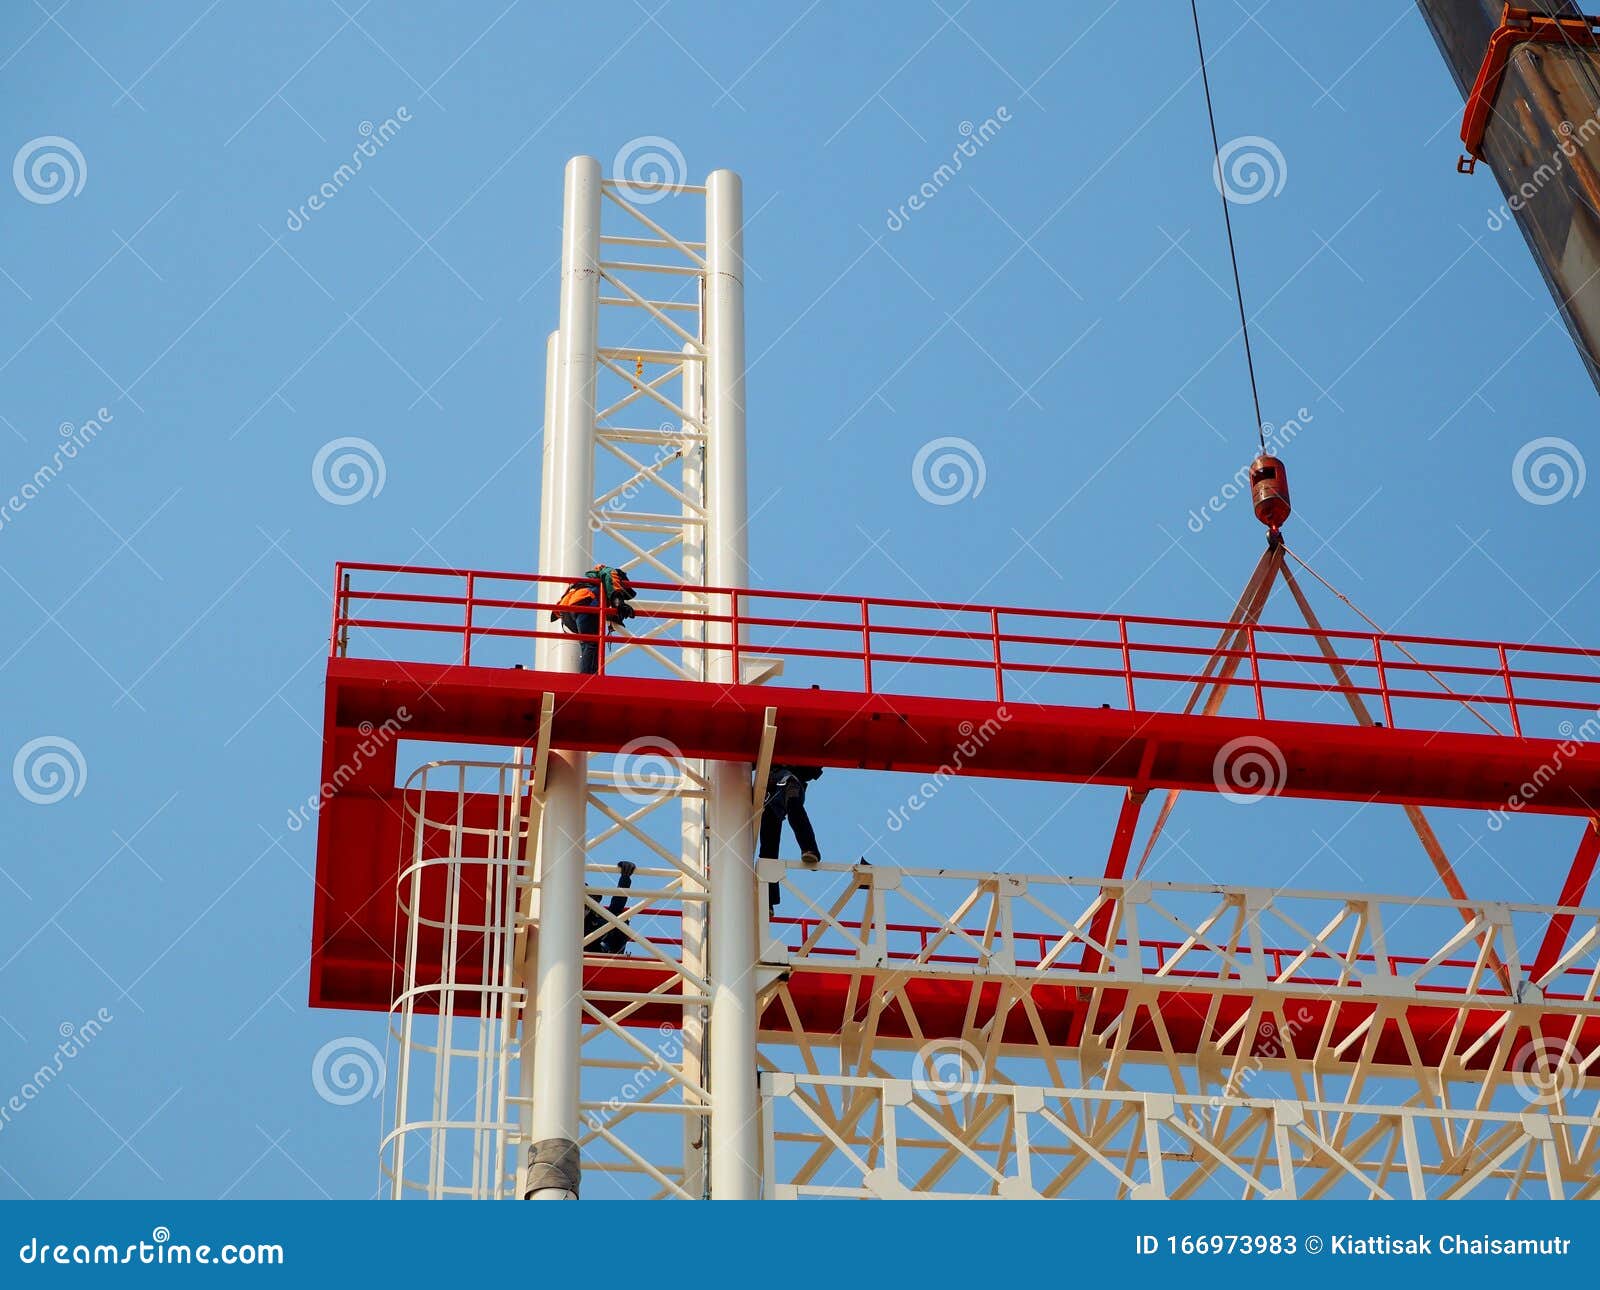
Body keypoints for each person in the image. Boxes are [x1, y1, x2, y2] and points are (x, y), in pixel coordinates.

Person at [552, 565, 637, 675]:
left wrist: (612, 616)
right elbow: (612, 580)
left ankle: (587, 675)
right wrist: (619, 603)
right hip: (585, 605)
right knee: (593, 644)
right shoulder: (610, 572)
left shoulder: (586, 584)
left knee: (587, 644)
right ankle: (588, 678)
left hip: (567, 614)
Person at [759, 765, 822, 908]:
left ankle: (810, 850)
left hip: (787, 783)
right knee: (768, 844)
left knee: (794, 810)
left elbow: (813, 769)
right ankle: (768, 899)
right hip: (770, 793)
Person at [583, 860, 636, 955]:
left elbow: (616, 907)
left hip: (602, 953)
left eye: (587, 902)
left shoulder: (596, 917)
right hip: (569, 952)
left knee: (620, 920)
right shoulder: (561, 917)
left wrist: (625, 877)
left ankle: (611, 954)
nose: (584, 906)